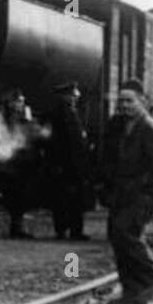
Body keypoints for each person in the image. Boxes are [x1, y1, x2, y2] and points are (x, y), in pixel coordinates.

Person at [105, 79, 153, 304]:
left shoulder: (150, 127)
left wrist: (135, 185)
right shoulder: (125, 124)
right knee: (117, 237)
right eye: (121, 101)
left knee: (126, 234)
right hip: (123, 192)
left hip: (143, 194)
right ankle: (132, 292)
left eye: (129, 101)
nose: (124, 105)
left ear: (143, 101)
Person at [45, 82, 91, 241]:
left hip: (68, 164)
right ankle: (72, 230)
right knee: (69, 198)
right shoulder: (64, 113)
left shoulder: (68, 112)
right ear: (66, 96)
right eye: (73, 95)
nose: (75, 98)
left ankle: (65, 229)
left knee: (66, 198)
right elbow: (61, 142)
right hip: (68, 164)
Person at [0, 90, 42, 239]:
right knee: (15, 198)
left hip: (20, 162)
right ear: (12, 103)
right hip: (13, 163)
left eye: (22, 101)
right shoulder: (8, 119)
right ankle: (15, 229)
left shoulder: (19, 118)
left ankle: (16, 227)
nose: (21, 104)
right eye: (19, 101)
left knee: (19, 198)